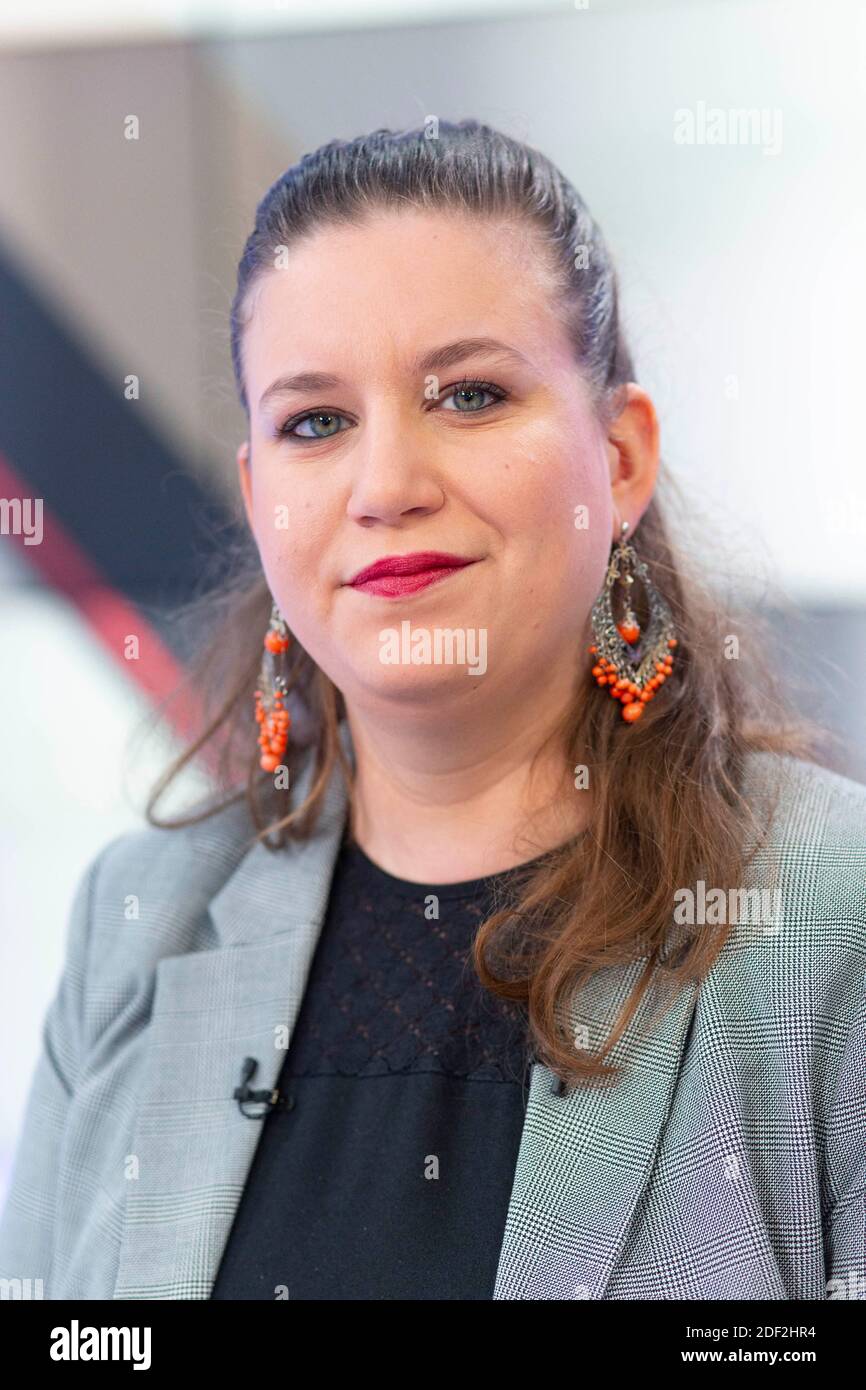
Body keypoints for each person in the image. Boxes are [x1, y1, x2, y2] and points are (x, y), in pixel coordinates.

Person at [1, 121, 864, 1302]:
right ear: (258, 497)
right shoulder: (137, 924)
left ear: (617, 458)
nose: (387, 486)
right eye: (315, 421)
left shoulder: (830, 910)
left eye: (468, 394)